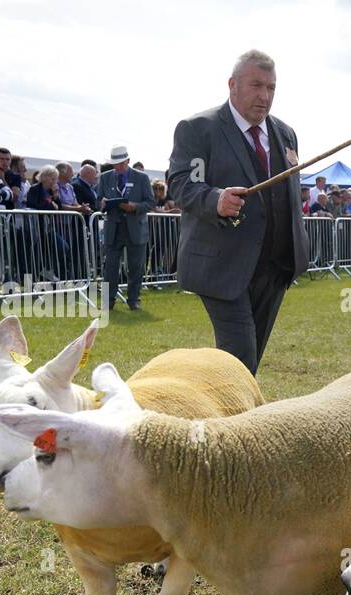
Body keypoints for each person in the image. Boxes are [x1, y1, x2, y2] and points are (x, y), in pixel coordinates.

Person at [167, 50, 309, 374]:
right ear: (233, 85)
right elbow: (181, 183)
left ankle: (231, 413)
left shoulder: (285, 133)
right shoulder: (198, 129)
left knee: (252, 353)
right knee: (240, 353)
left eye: (271, 88)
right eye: (256, 85)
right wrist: (213, 199)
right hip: (222, 265)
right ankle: (236, 421)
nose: (264, 96)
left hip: (275, 266)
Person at [97, 145, 156, 310]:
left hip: (135, 227)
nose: (118, 167)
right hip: (113, 228)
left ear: (128, 161)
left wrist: (135, 207)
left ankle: (134, 299)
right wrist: (101, 203)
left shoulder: (142, 178)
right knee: (110, 267)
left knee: (136, 267)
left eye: (121, 163)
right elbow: (98, 199)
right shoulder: (105, 177)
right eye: (115, 164)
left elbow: (150, 202)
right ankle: (108, 301)